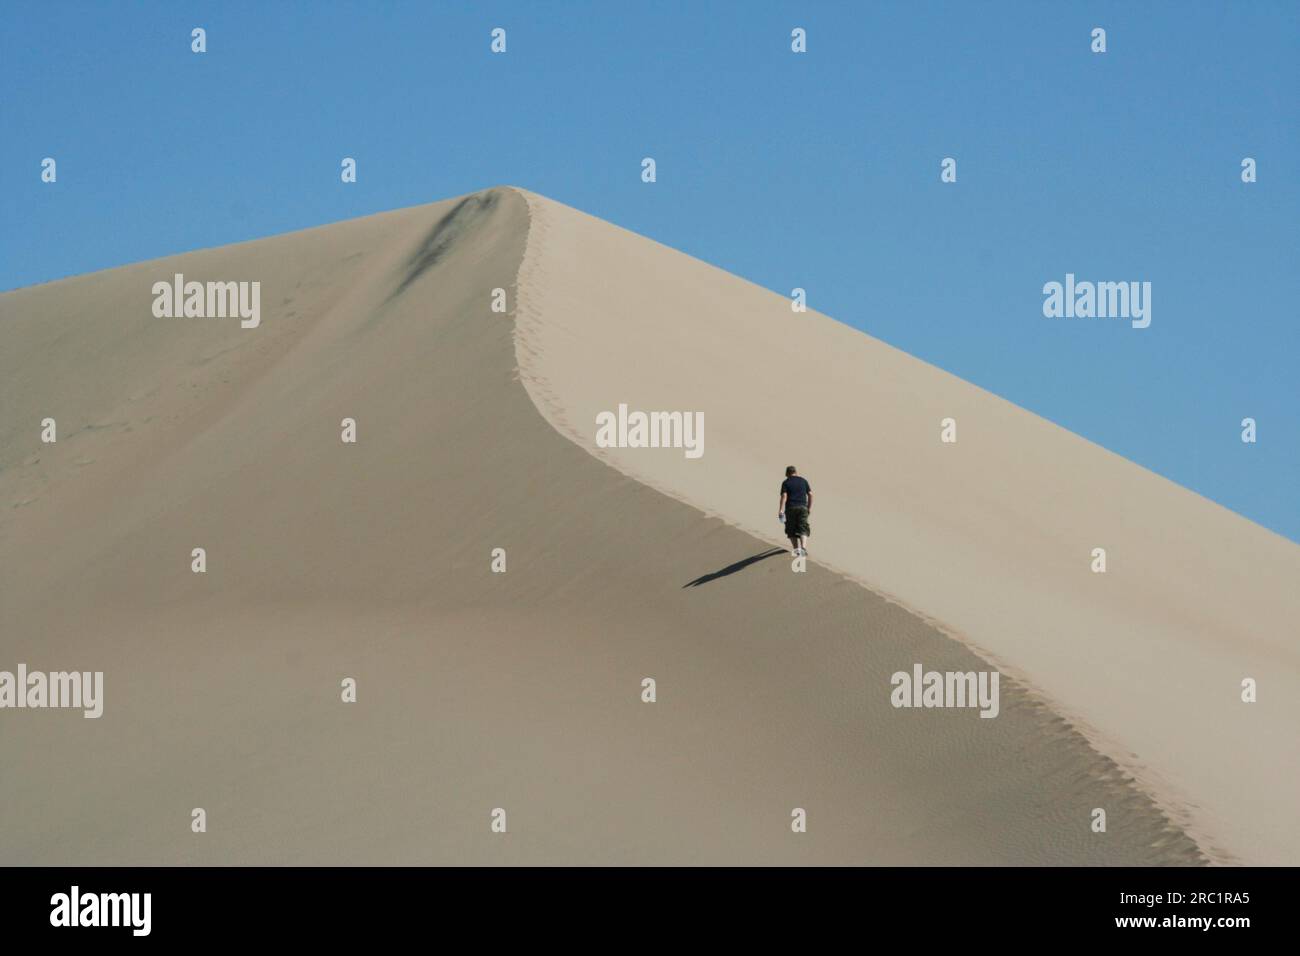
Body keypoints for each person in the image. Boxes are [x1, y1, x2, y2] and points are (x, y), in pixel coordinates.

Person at [778, 465, 812, 556]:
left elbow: (784, 496)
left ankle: (796, 550)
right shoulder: (803, 481)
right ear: (796, 472)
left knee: (791, 529)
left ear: (787, 474)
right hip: (802, 507)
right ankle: (803, 548)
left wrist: (781, 510)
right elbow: (810, 494)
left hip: (791, 508)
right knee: (803, 527)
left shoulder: (786, 482)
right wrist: (808, 507)